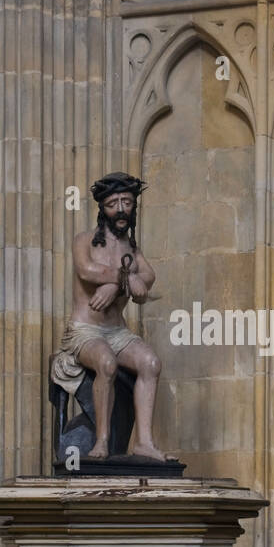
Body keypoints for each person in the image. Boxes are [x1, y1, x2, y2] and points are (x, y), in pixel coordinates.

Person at [52, 173, 168, 462]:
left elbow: (149, 277)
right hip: (85, 332)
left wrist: (117, 284)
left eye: (126, 202)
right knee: (106, 361)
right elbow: (86, 271)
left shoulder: (132, 249)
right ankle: (102, 442)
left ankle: (144, 442)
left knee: (151, 363)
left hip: (118, 332)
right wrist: (124, 279)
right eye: (113, 203)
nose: (120, 209)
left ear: (133, 208)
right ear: (102, 209)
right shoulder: (84, 241)